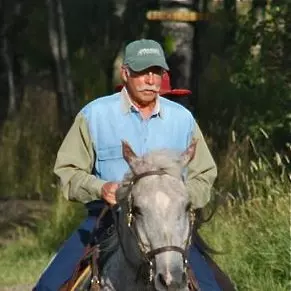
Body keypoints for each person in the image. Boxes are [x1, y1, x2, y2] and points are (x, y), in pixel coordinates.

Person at [34, 39, 220, 291]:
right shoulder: (94, 115)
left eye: (157, 73)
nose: (151, 80)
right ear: (126, 73)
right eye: (143, 72)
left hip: (171, 227)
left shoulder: (182, 119)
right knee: (49, 285)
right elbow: (67, 171)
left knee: (212, 287)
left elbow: (204, 174)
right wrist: (100, 188)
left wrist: (183, 197)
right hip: (107, 219)